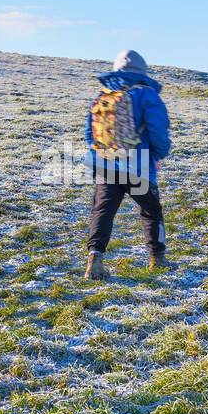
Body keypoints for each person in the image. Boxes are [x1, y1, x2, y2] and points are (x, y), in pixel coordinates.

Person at [83, 50, 172, 280]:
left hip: (106, 165)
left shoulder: (104, 95)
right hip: (138, 167)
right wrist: (159, 155)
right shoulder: (147, 94)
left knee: (102, 211)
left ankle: (95, 258)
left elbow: (89, 134)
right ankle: (157, 258)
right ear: (143, 71)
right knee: (151, 211)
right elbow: (158, 131)